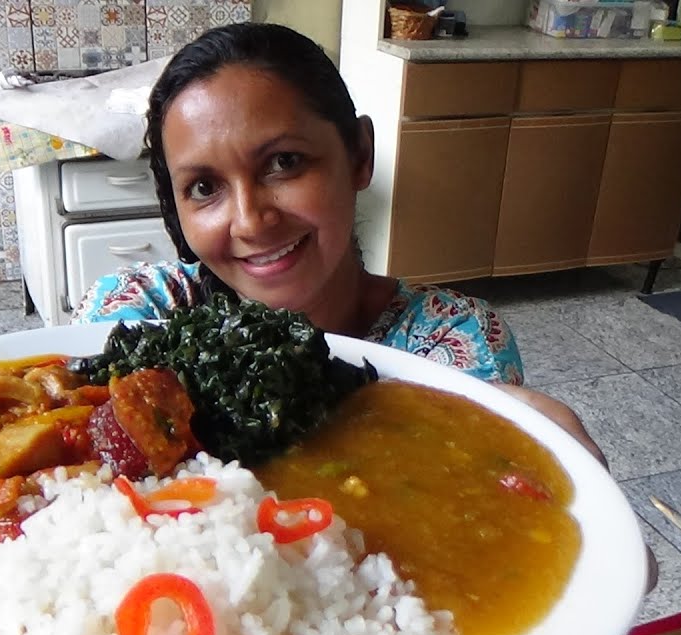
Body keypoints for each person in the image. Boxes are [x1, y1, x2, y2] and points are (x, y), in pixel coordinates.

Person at [72, 22, 605, 466]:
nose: (252, 221)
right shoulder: (134, 314)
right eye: (204, 188)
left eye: (285, 162)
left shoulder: (453, 342)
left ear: (359, 156)